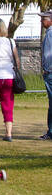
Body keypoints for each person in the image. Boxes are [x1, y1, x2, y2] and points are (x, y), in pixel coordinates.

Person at [41, 8, 52, 140]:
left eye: (44, 19)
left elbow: (48, 55)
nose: (42, 21)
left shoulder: (49, 34)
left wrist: (47, 69)